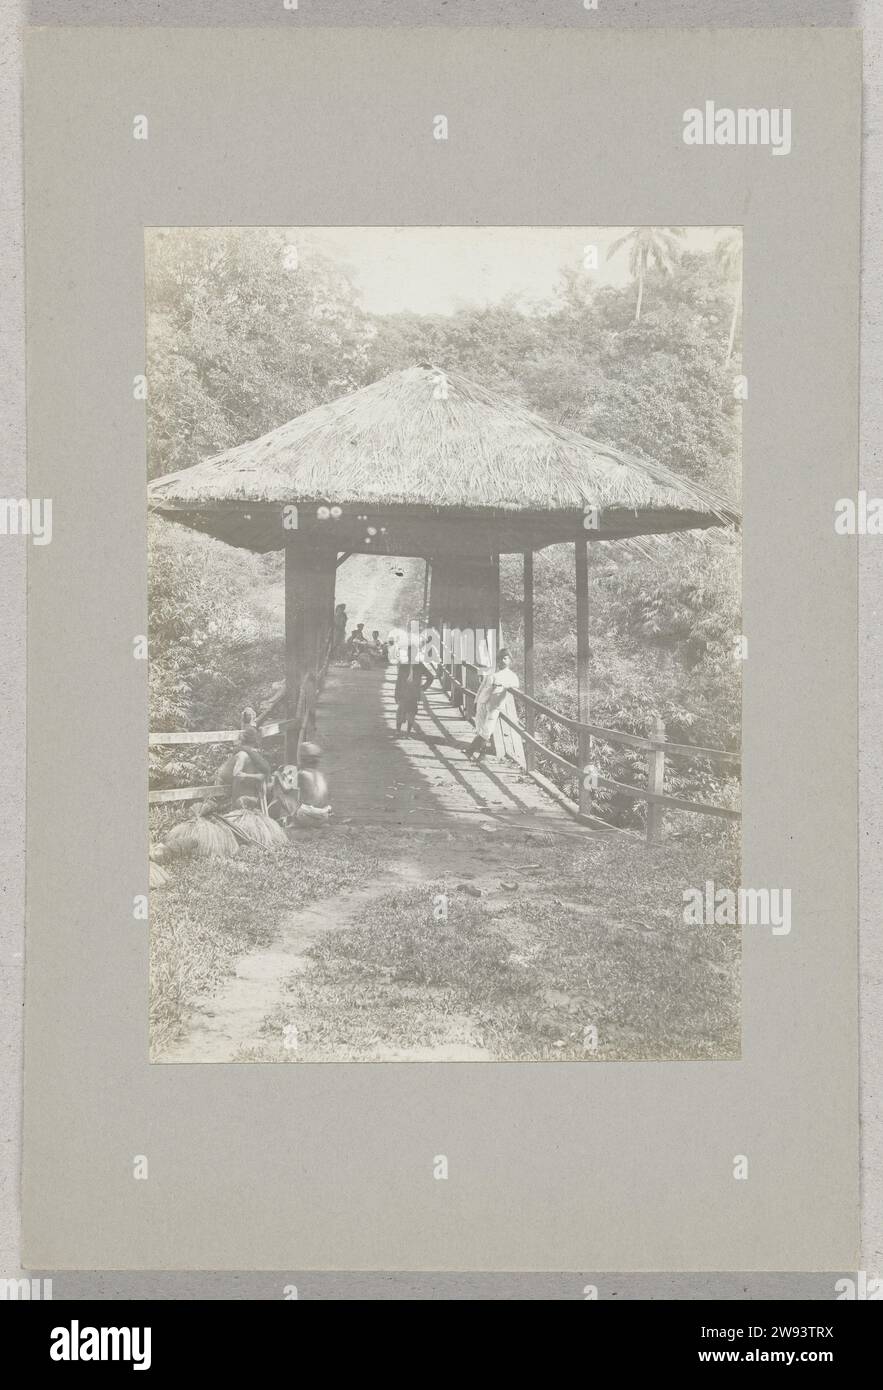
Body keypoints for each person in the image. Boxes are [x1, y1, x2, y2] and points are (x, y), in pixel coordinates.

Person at [467, 648, 519, 761]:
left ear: (510, 660)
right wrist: (476, 701)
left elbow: (515, 686)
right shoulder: (492, 673)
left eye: (505, 658)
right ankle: (480, 753)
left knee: (487, 730)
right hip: (482, 702)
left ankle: (471, 749)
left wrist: (502, 685)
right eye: (500, 659)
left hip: (494, 706)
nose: (502, 661)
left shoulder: (511, 676)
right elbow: (481, 688)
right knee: (480, 727)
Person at [228, 726, 273, 804]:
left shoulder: (252, 754)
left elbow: (263, 774)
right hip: (244, 790)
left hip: (254, 788)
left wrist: (248, 775)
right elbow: (237, 775)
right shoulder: (244, 754)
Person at [294, 742, 332, 827]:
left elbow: (302, 799)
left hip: (307, 816)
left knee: (298, 810)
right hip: (324, 817)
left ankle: (306, 824)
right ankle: (318, 823)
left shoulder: (302, 774)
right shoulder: (320, 775)